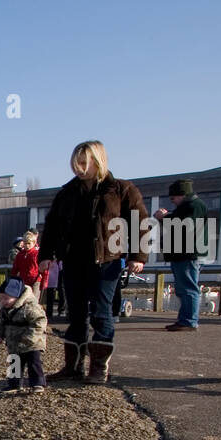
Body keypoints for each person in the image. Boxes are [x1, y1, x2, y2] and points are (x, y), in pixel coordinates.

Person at [37, 140, 148, 382]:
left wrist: (138, 256)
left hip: (106, 261)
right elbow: (52, 226)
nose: (78, 169)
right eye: (75, 164)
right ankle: (73, 366)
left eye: (84, 163)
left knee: (101, 311)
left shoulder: (121, 190)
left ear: (98, 162)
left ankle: (98, 368)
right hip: (74, 261)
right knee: (75, 314)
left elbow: (140, 222)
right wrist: (46, 255)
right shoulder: (67, 193)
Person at [155, 179, 208, 331]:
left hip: (187, 254)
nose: (172, 202)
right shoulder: (191, 207)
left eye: (173, 198)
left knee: (188, 288)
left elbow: (184, 226)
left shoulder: (193, 206)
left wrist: (164, 218)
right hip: (185, 254)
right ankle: (185, 319)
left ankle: (189, 321)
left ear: (182, 195)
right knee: (184, 288)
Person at [0, 277, 47, 393]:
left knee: (33, 363)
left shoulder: (29, 307)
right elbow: (1, 323)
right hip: (14, 342)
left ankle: (37, 383)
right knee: (14, 362)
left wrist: (30, 337)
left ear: (17, 296)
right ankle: (13, 384)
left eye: (6, 298)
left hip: (32, 343)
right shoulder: (4, 310)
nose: (2, 301)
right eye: (0, 299)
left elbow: (40, 322)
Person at [11, 230, 41, 296]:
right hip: (23, 280)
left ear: (34, 243)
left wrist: (43, 281)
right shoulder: (20, 255)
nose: (27, 246)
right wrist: (12, 278)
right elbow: (15, 268)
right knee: (23, 299)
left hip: (35, 281)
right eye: (25, 243)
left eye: (29, 243)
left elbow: (42, 269)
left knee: (34, 300)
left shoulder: (37, 254)